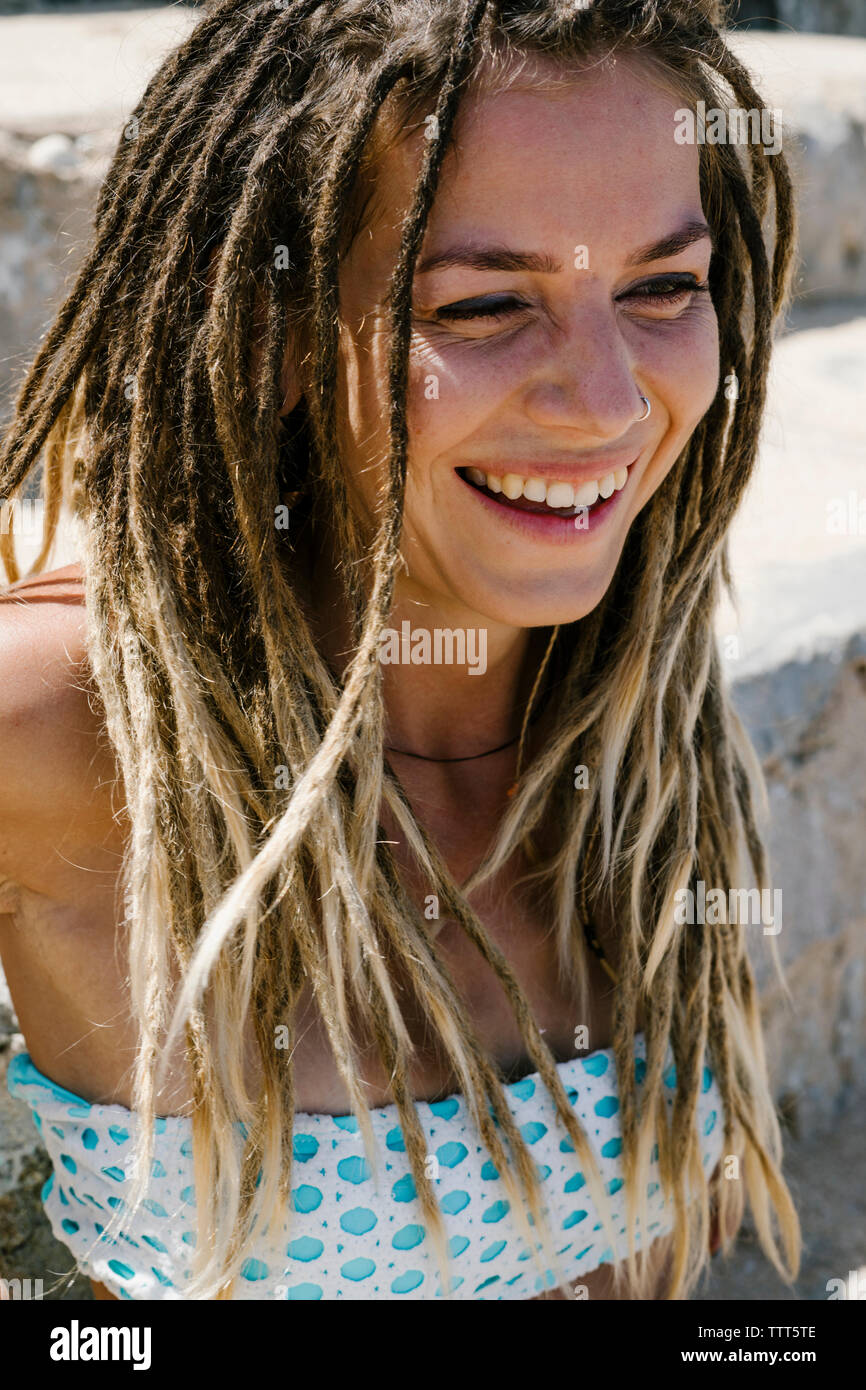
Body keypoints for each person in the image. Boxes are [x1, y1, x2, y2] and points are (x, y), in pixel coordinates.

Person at [0, 0, 800, 1301]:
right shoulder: (64, 725)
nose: (605, 403)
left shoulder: (635, 715)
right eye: (484, 305)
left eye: (662, 288)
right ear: (274, 332)